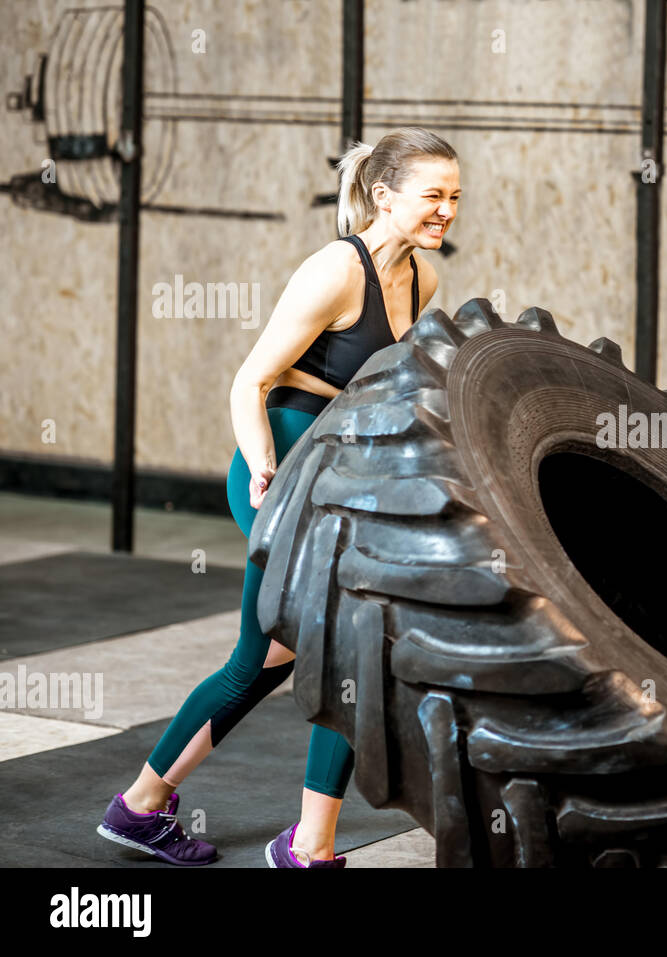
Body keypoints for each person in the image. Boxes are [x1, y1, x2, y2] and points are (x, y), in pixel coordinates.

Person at [97, 126, 460, 868]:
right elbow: (252, 380)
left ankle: (275, 836)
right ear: (384, 195)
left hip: (346, 471)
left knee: (341, 650)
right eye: (432, 196)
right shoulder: (335, 269)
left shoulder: (425, 278)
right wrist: (265, 470)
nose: (446, 210)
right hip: (284, 464)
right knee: (270, 655)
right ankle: (164, 811)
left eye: (455, 197)